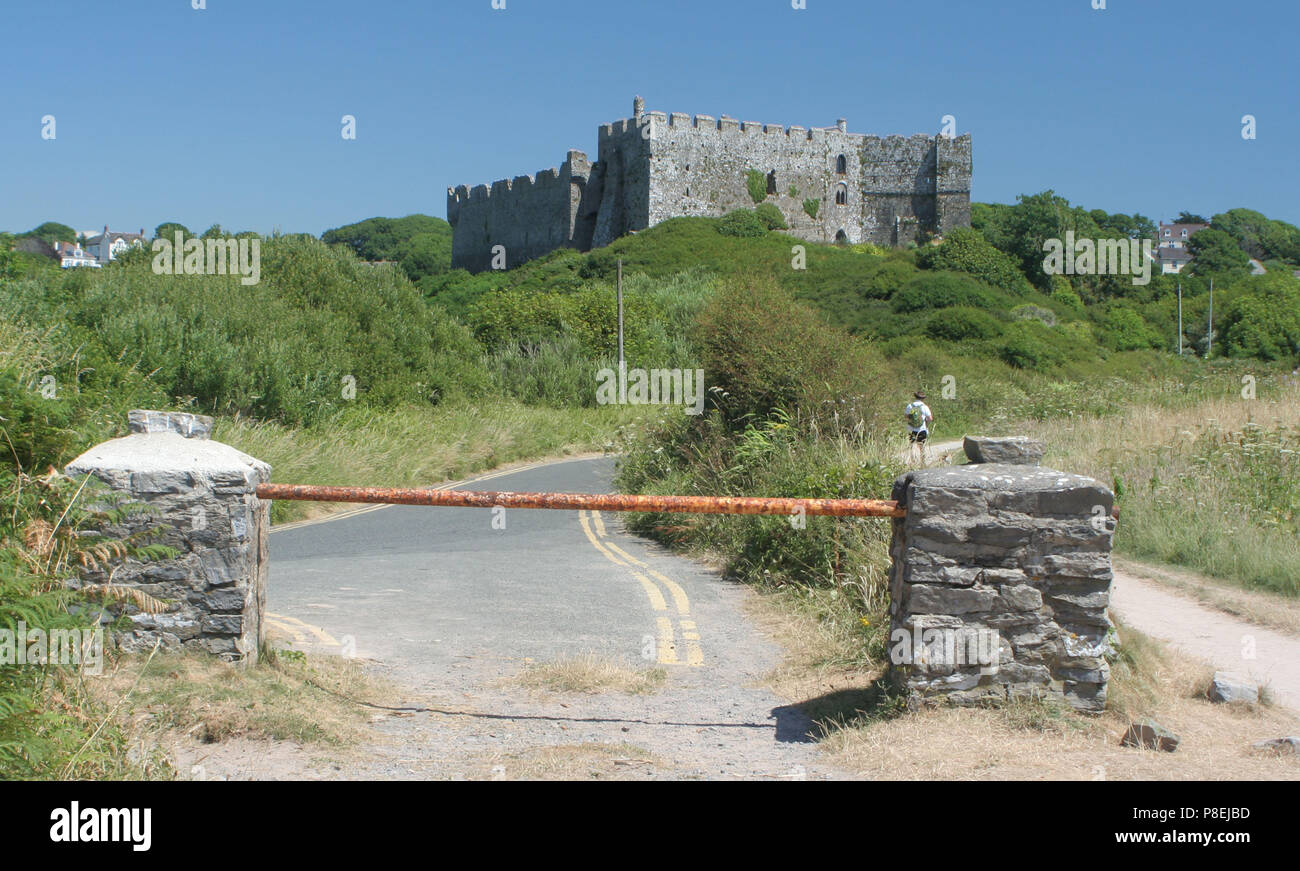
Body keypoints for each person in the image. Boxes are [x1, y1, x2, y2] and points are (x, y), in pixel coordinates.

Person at [905, 390, 933, 460]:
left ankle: (912, 460)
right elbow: (930, 418)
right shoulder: (924, 407)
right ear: (923, 398)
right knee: (921, 447)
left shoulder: (909, 406)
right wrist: (926, 423)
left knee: (911, 446)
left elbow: (906, 417)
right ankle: (922, 461)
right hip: (921, 429)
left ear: (915, 397)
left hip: (911, 429)